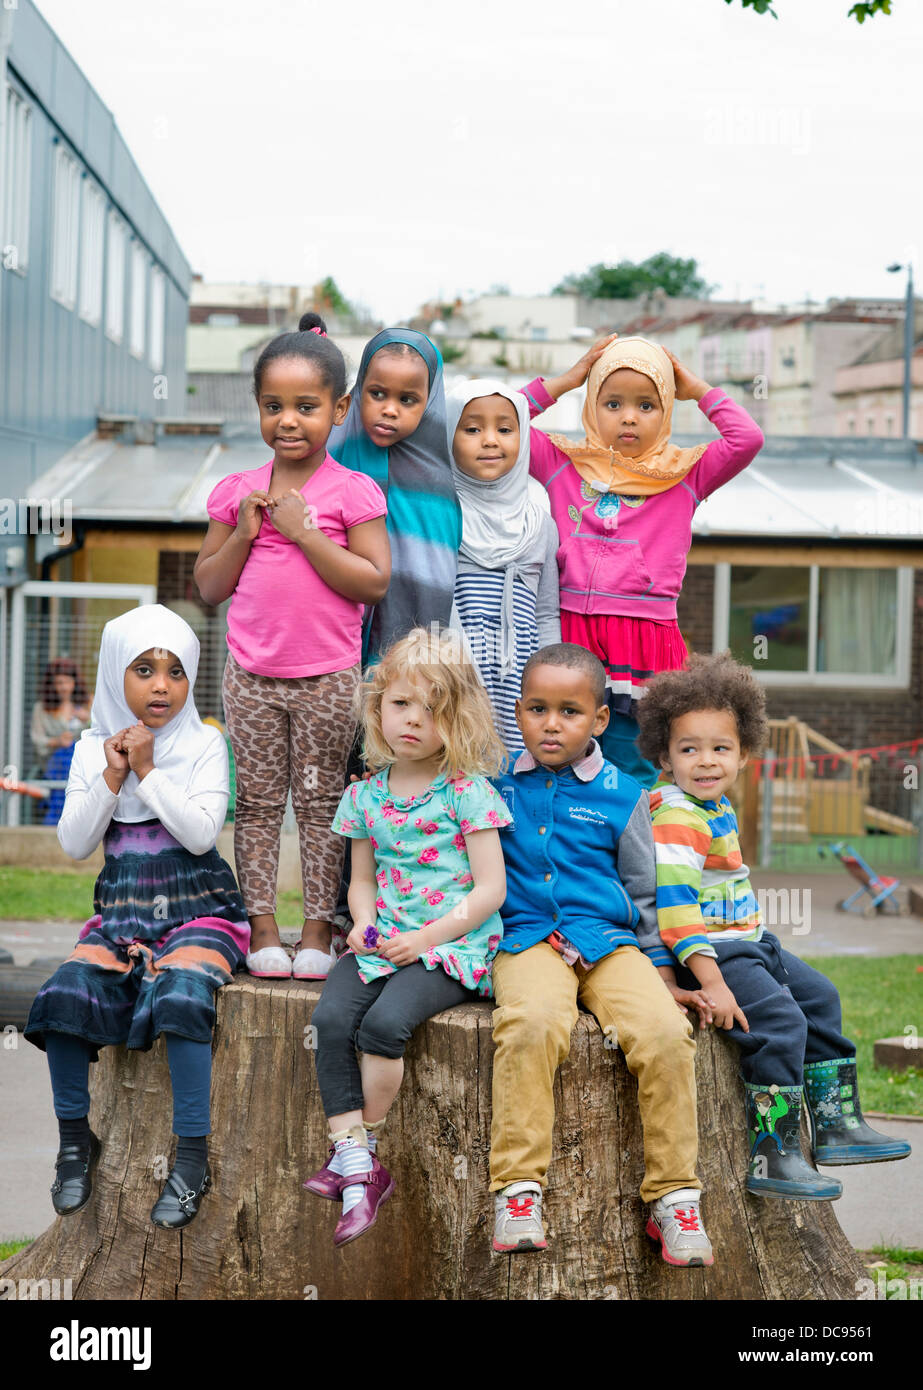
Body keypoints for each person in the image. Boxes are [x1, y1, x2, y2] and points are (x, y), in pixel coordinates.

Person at [636, 650, 911, 1200]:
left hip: (750, 942)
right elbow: (676, 907)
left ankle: (834, 1125)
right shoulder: (677, 816)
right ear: (665, 756)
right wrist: (710, 981)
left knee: (821, 997)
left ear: (744, 755)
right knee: (783, 1024)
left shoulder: (717, 807)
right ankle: (775, 1152)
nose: (706, 761)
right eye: (689, 749)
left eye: (721, 748)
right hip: (712, 954)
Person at [25, 605, 250, 1230]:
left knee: (181, 994)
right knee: (61, 994)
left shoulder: (205, 743)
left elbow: (203, 835)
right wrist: (112, 774)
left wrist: (148, 772)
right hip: (122, 917)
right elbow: (74, 842)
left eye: (176, 672)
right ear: (112, 675)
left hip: (199, 913)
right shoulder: (91, 747)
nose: (161, 685)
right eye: (144, 669)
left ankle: (192, 1157)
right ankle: (75, 1143)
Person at [489, 642, 712, 1266]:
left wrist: (662, 973)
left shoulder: (623, 795)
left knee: (666, 1035)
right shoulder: (492, 785)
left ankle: (674, 1197)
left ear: (600, 720)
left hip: (610, 944)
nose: (552, 724)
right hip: (526, 938)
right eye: (537, 709)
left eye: (569, 711)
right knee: (531, 1026)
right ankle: (518, 1189)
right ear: (519, 712)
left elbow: (643, 892)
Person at [194, 313, 390, 981]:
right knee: (254, 804)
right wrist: (246, 533)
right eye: (273, 406)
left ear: (337, 410)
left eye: (306, 407)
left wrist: (306, 534)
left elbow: (373, 580)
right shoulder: (234, 492)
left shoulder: (352, 492)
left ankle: (316, 935)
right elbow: (208, 587)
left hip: (328, 678)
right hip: (250, 677)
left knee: (318, 804)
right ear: (257, 408)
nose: (288, 420)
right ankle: (262, 932)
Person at [305, 627, 510, 1246]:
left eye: (433, 709)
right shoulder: (364, 796)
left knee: (383, 1026)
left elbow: (489, 891)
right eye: (401, 704)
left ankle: (357, 1151)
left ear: (459, 718)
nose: (413, 720)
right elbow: (360, 880)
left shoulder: (467, 793)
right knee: (332, 1020)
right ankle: (359, 1164)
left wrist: (425, 941)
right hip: (382, 937)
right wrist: (363, 923)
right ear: (378, 708)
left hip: (451, 946)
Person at [519, 337, 764, 785]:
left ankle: (633, 850)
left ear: (668, 409)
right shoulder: (562, 463)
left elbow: (747, 438)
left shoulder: (686, 475)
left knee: (630, 767)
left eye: (647, 405)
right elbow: (503, 422)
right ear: (591, 406)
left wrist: (698, 388)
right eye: (612, 403)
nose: (629, 416)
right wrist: (565, 381)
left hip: (643, 642)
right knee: (563, 758)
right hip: (573, 633)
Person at [328, 328, 460, 665]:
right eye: (377, 394)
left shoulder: (441, 476)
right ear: (358, 390)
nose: (389, 409)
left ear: (429, 401)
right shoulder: (332, 455)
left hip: (413, 653)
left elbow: (506, 416)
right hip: (330, 645)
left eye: (407, 400)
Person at [444, 377, 560, 756]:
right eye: (472, 429)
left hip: (517, 681)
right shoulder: (440, 515)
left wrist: (552, 683)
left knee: (513, 781)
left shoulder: (539, 523)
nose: (491, 440)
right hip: (453, 675)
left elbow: (545, 612)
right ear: (446, 435)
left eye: (505, 428)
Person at [30, 657, 91, 825]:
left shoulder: (87, 705)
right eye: (59, 683)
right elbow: (38, 740)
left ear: (75, 683)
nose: (63, 687)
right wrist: (57, 741)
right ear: (52, 685)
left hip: (83, 768)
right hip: (54, 768)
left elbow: (102, 733)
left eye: (67, 682)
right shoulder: (41, 709)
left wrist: (88, 720)